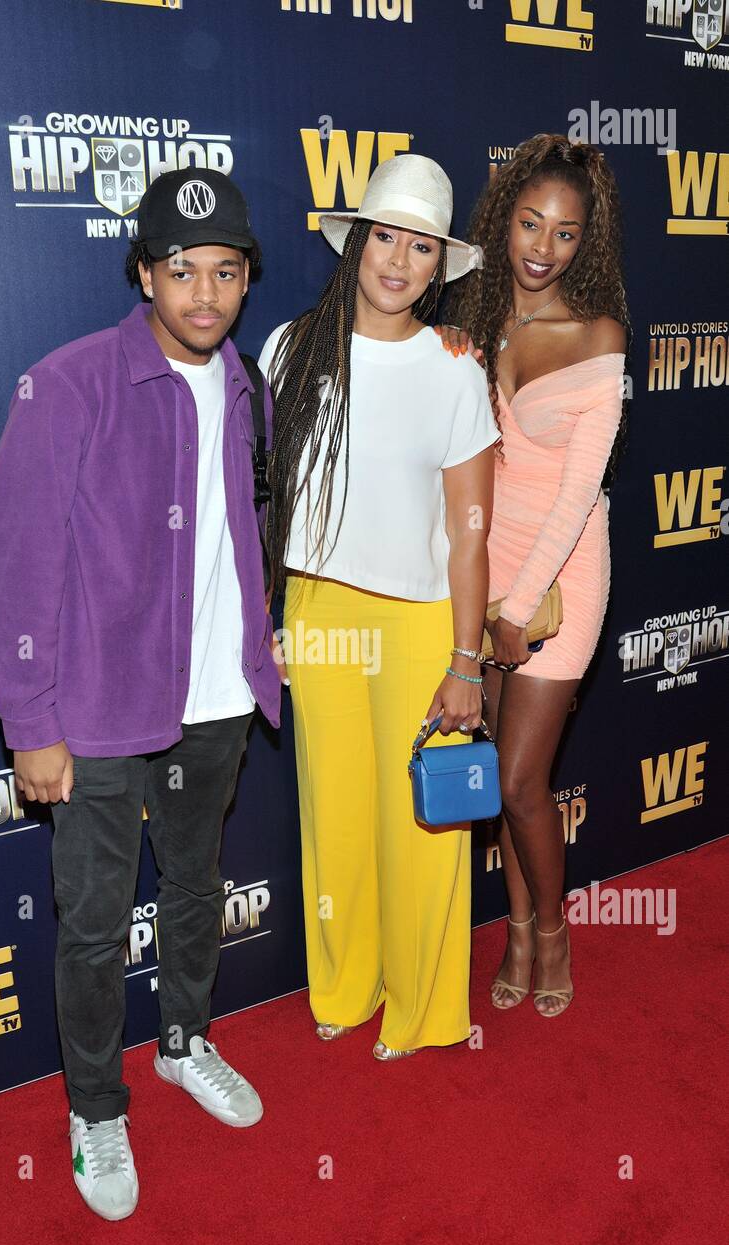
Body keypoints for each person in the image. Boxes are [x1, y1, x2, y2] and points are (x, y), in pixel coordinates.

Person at [0, 168, 282, 1221]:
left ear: (246, 279)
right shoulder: (66, 384)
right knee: (96, 920)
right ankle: (95, 1106)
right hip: (97, 706)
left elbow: (244, 537)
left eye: (227, 272)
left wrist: (254, 657)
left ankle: (186, 1040)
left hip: (214, 698)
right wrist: (32, 721)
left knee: (195, 888)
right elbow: (17, 563)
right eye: (183, 270)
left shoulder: (247, 385)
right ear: (144, 273)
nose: (205, 293)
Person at [259, 154, 500, 1060]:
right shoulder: (290, 348)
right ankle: (345, 985)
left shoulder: (453, 372)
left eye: (422, 249)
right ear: (355, 242)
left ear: (441, 268)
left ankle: (428, 1009)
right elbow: (265, 499)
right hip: (318, 613)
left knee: (423, 828)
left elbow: (469, 532)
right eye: (386, 237)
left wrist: (465, 660)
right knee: (337, 813)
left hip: (415, 622)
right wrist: (273, 619)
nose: (399, 262)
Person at [438, 134, 629, 1017]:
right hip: (487, 565)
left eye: (563, 232)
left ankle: (550, 931)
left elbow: (576, 495)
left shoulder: (597, 336)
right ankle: (514, 928)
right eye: (528, 223)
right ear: (503, 220)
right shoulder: (474, 322)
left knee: (516, 780)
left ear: (584, 241)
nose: (541, 247)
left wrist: (514, 614)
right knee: (512, 787)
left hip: (561, 579)